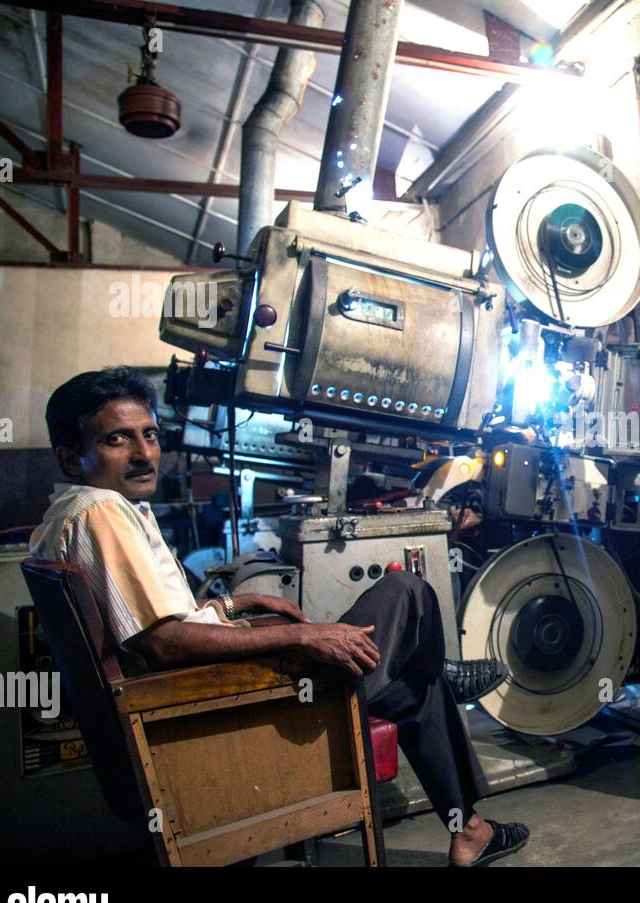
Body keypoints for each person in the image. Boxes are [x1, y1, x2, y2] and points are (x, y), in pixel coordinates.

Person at [30, 367, 529, 867]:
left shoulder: (66, 515)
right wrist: (302, 636)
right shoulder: (101, 511)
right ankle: (435, 668)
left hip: (211, 692)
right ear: (71, 457)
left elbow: (154, 625)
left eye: (150, 436)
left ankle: (471, 830)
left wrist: (232, 606)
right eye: (118, 439)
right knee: (407, 590)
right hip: (227, 710)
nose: (143, 454)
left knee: (416, 692)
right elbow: (163, 644)